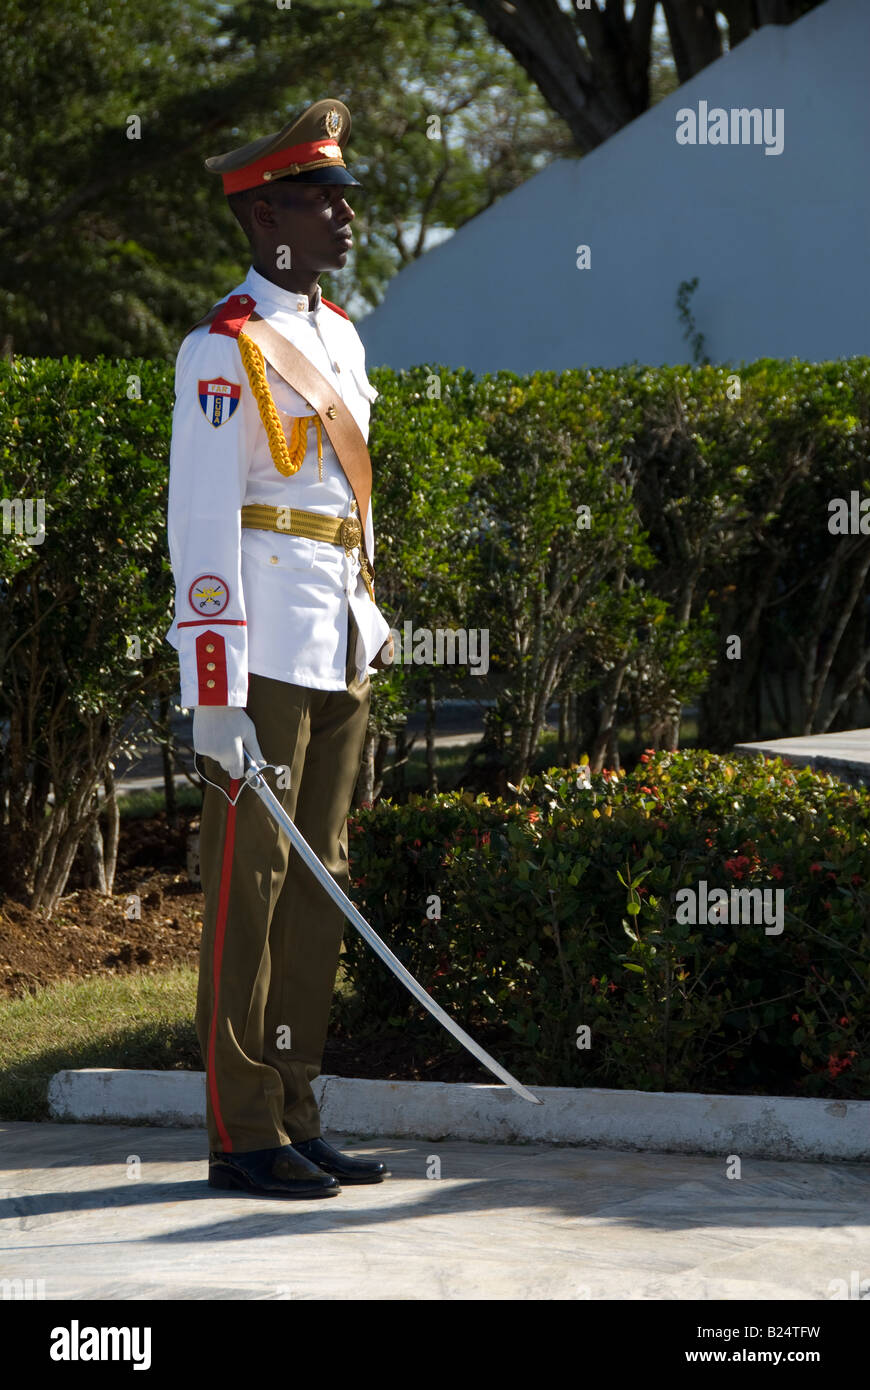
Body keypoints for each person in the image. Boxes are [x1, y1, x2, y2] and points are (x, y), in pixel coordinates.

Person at [165, 99, 392, 1199]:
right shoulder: (220, 350)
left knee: (321, 885)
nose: (346, 214)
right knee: (248, 888)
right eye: (322, 197)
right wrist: (214, 694)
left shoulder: (340, 335)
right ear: (265, 218)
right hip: (256, 649)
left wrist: (369, 615)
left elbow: (345, 503)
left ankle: (296, 1106)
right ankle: (239, 1128)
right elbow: (204, 528)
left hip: (337, 632)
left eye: (344, 195)